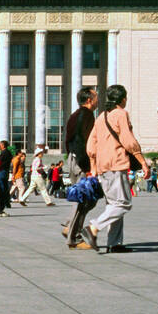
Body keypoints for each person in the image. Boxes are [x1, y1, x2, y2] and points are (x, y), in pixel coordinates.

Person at [79, 84, 151, 252]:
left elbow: (91, 145)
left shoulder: (101, 117)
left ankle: (115, 243)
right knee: (124, 204)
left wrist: (94, 167)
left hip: (103, 167)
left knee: (113, 205)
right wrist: (142, 161)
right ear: (123, 99)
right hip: (116, 164)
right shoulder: (121, 114)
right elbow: (128, 140)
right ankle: (93, 228)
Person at [61, 87, 98, 247]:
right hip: (81, 160)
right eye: (96, 96)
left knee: (86, 198)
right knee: (84, 198)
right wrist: (87, 165)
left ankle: (70, 226)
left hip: (74, 158)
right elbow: (81, 141)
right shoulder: (86, 115)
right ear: (89, 100)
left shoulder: (75, 115)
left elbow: (69, 141)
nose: (98, 99)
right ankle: (73, 236)